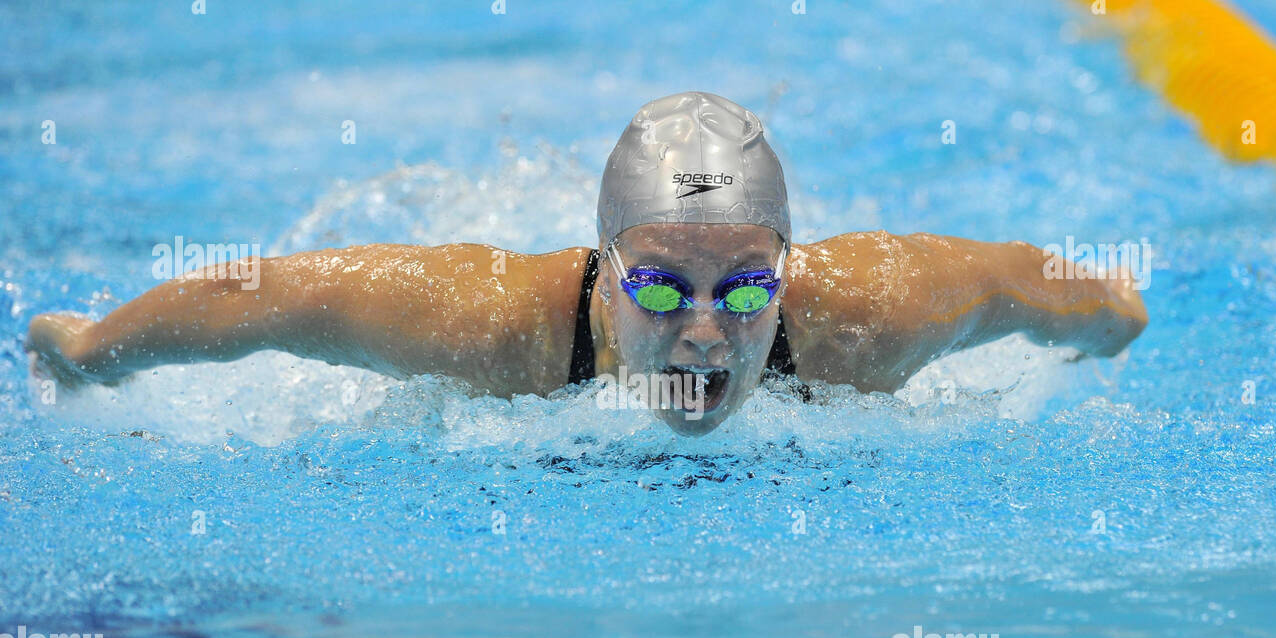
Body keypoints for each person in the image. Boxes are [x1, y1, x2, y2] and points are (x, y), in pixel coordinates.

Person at [26, 91, 1147, 435]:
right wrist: (92, 351)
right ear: (605, 270)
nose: (704, 332)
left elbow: (1025, 287)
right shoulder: (493, 327)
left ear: (786, 271)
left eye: (745, 290)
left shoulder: (871, 316)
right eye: (659, 284)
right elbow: (272, 298)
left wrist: (1109, 317)